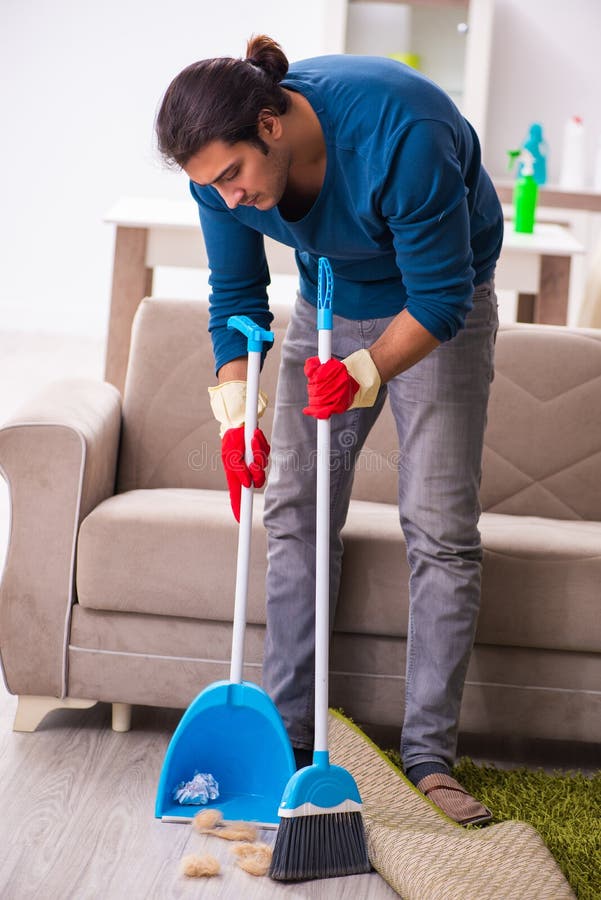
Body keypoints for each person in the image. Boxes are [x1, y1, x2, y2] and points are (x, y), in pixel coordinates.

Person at [156, 34, 503, 826]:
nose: (229, 199)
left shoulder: (402, 132)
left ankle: (428, 760)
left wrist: (362, 371)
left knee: (440, 530)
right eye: (211, 187)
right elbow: (236, 299)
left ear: (270, 126)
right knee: (294, 512)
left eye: (233, 176)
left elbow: (440, 298)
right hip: (328, 302)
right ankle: (286, 739)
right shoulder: (220, 180)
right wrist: (235, 417)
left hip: (433, 310)